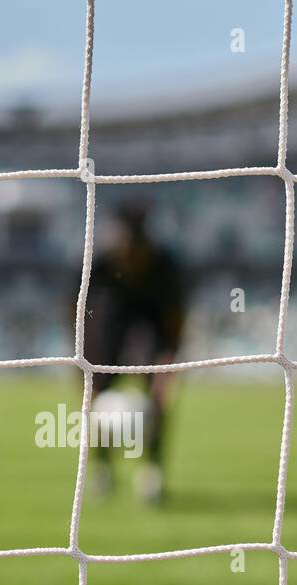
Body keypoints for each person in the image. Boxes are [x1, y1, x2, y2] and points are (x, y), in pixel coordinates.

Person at [76, 199, 187, 504]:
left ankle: (152, 470)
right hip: (109, 320)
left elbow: (175, 323)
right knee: (95, 395)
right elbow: (75, 310)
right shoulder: (97, 264)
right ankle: (101, 467)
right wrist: (81, 364)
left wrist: (167, 367)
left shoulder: (166, 268)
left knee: (160, 397)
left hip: (152, 322)